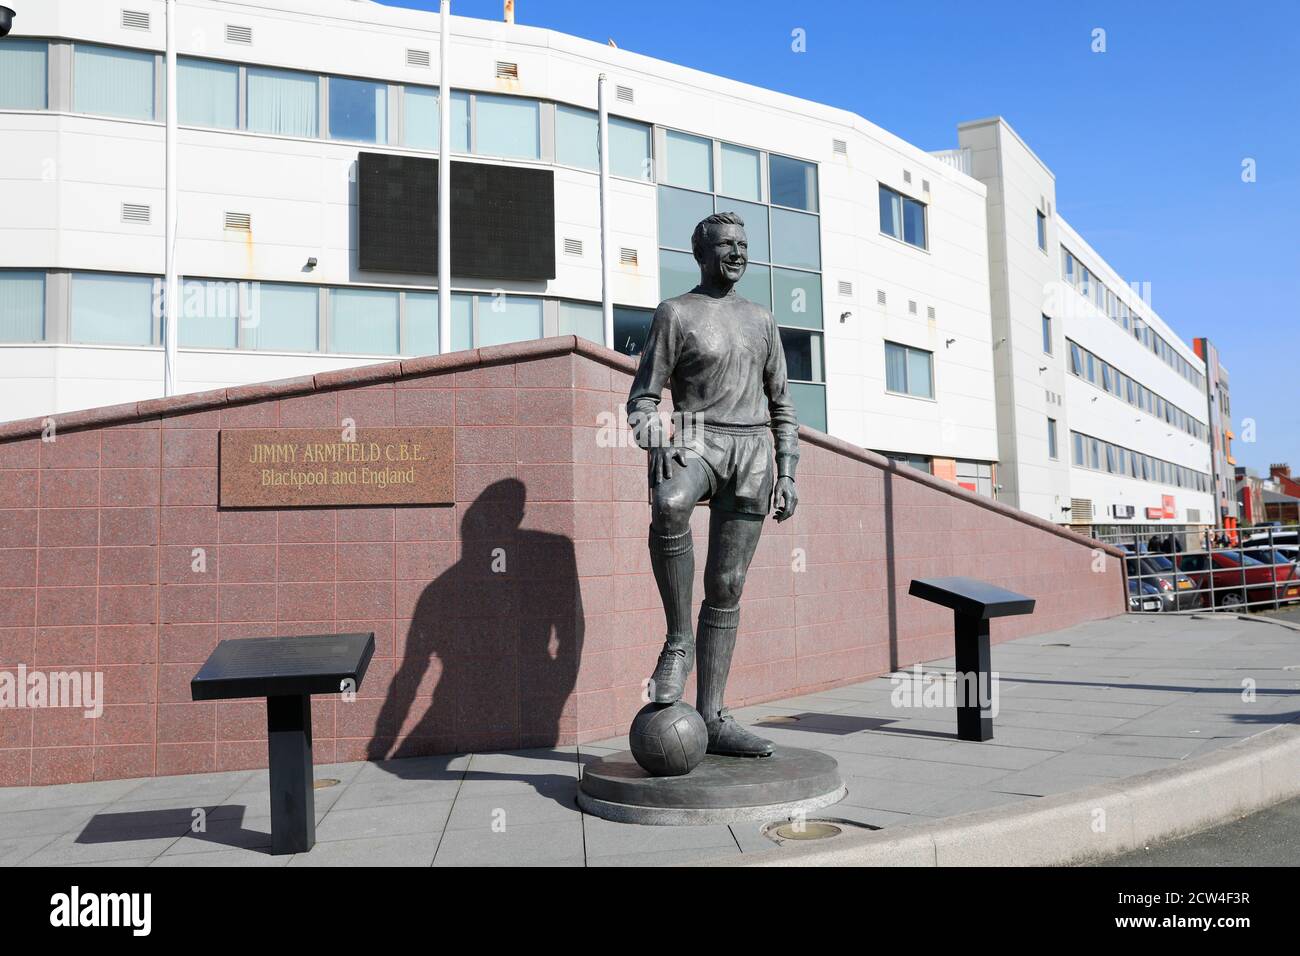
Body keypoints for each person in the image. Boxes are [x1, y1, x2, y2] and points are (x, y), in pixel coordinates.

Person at [625, 211, 799, 758]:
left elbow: (782, 405)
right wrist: (656, 436)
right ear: (701, 253)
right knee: (671, 504)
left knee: (726, 585)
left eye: (743, 244)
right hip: (698, 435)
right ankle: (678, 642)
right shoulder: (675, 313)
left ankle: (714, 715)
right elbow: (642, 399)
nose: (737, 252)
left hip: (752, 451)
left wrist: (788, 469)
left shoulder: (763, 319)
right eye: (726, 244)